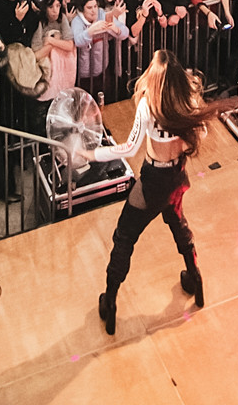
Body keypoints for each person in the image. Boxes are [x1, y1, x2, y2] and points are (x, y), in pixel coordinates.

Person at [89, 47, 217, 333]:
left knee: (124, 237)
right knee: (178, 223)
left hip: (153, 181)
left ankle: (109, 302)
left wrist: (94, 154)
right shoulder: (188, 98)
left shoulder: (149, 105)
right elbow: (201, 134)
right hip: (176, 177)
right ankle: (196, 280)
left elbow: (130, 148)